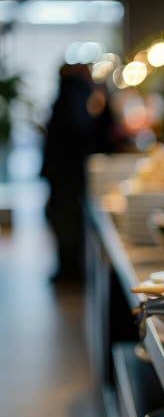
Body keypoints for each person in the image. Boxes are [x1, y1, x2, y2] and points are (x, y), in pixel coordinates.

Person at [40, 64, 117, 282]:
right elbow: (83, 128)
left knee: (62, 216)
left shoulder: (68, 91)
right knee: (67, 218)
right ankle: (71, 269)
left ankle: (68, 268)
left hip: (61, 169)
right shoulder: (78, 90)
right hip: (70, 170)